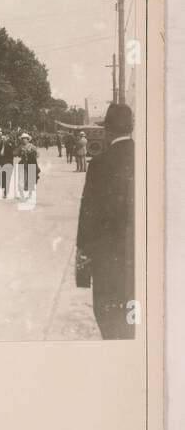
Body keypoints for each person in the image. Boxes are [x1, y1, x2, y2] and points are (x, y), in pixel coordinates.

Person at [76, 104, 134, 339]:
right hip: (139, 257)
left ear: (107, 131)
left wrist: (83, 257)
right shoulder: (149, 158)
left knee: (109, 318)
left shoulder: (100, 163)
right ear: (131, 128)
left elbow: (88, 213)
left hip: (107, 257)